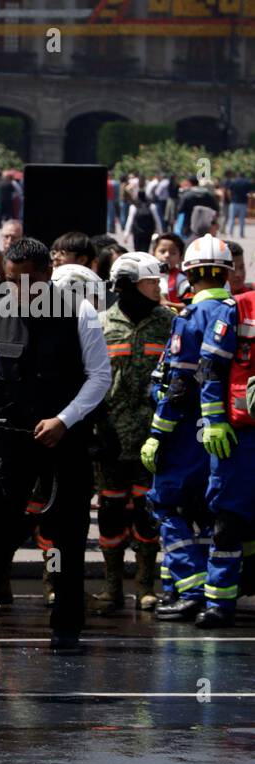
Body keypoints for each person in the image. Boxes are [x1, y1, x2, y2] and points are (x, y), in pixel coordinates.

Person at [0, 238, 111, 654]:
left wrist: (64, 420)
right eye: (11, 280)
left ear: (46, 275)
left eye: (26, 282)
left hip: (64, 442)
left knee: (67, 536)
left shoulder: (80, 311)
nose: (17, 290)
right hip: (10, 443)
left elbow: (99, 378)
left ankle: (66, 628)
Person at [82, 252, 173, 615]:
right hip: (111, 438)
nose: (159, 288)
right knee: (110, 512)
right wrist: (93, 432)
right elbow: (89, 383)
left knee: (148, 514)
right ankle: (112, 586)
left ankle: (146, 586)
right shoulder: (100, 325)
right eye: (151, 282)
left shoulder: (169, 323)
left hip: (154, 439)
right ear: (129, 285)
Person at [172, 237, 248, 627]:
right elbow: (210, 370)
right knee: (227, 519)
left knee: (232, 518)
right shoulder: (238, 310)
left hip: (231, 433)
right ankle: (220, 602)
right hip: (237, 434)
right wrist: (215, 419)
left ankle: (218, 597)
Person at [153, 233, 191, 309]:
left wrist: (168, 304)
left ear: (180, 258)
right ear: (153, 253)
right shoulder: (146, 276)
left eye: (173, 253)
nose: (167, 255)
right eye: (162, 251)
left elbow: (189, 306)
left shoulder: (181, 280)